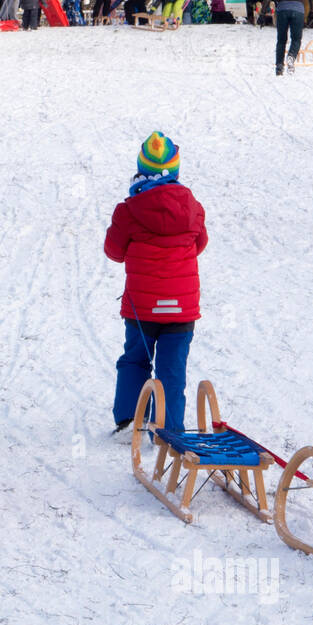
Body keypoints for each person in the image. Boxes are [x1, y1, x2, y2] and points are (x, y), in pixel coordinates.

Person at [104, 133, 207, 434]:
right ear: (175, 171)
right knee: (172, 372)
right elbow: (200, 244)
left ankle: (129, 422)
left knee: (136, 360)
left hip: (142, 308)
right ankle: (169, 429)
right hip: (182, 309)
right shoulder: (193, 209)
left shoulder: (128, 211)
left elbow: (113, 252)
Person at [270, 0, 313, 75]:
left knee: (281, 40)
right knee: (296, 38)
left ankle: (279, 66)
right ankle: (291, 56)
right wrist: (312, 11)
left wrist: (263, 13)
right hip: (298, 9)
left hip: (282, 8)